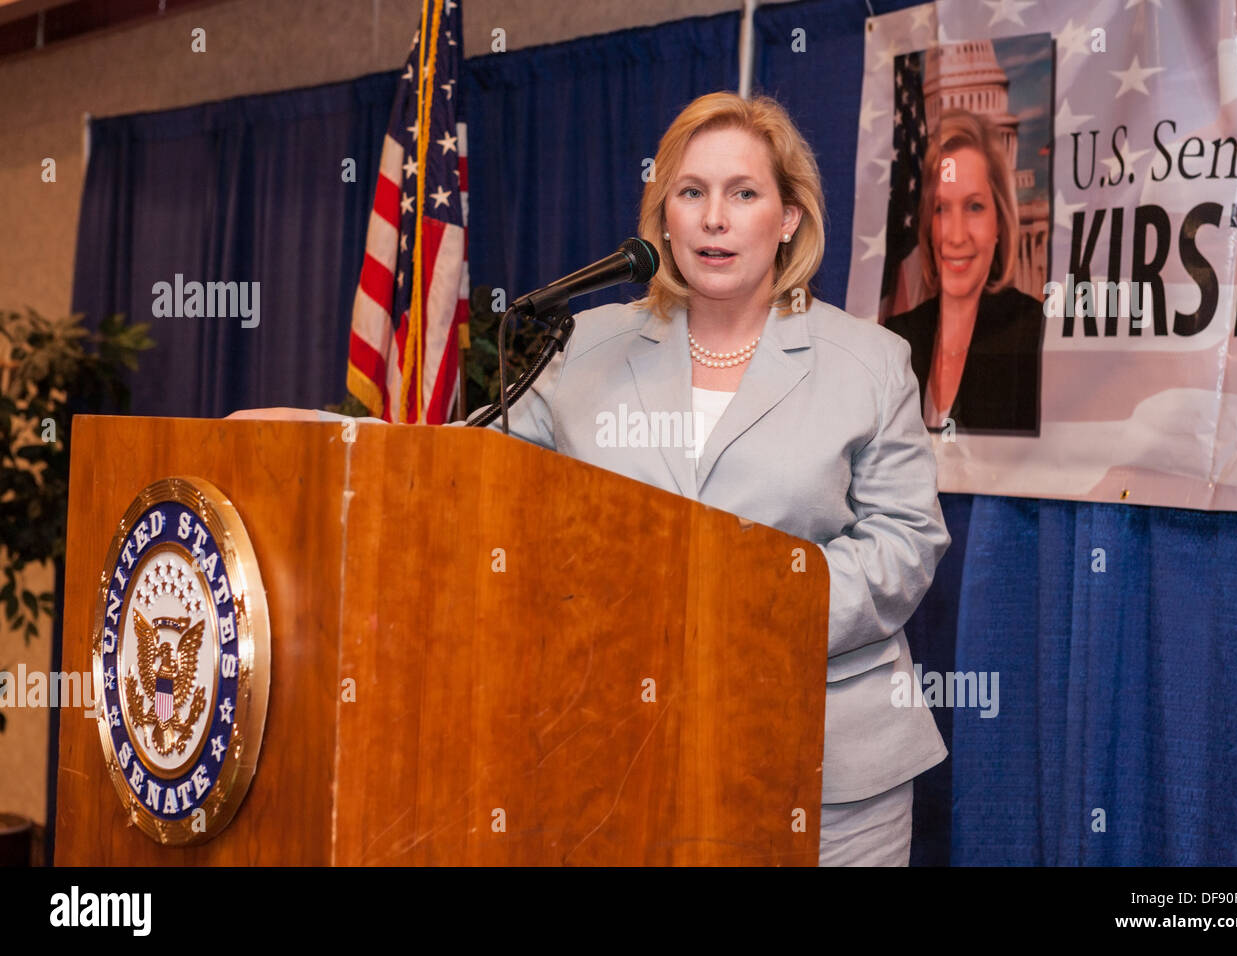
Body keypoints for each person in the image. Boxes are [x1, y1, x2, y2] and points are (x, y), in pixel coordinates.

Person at [232, 92, 951, 866]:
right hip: (625, 753)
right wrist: (328, 434)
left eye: (744, 193)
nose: (714, 219)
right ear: (663, 217)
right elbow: (471, 466)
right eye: (691, 192)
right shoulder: (591, 346)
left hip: (830, 768)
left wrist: (748, 604)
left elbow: (906, 541)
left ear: (789, 219)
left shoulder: (869, 362)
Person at [884, 108, 1043, 435]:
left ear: (1000, 221)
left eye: (974, 207)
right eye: (941, 209)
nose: (956, 236)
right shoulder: (896, 337)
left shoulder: (1035, 335)